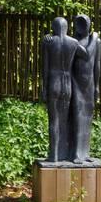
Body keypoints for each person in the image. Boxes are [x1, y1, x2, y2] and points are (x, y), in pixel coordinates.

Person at [41, 17, 81, 163]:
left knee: (54, 121)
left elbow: (45, 68)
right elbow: (86, 55)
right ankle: (68, 153)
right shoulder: (74, 42)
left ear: (54, 27)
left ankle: (54, 155)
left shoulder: (48, 42)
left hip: (54, 83)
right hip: (67, 84)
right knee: (66, 121)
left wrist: (44, 88)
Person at [70, 14, 101, 163]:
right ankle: (75, 153)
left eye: (83, 23)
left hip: (89, 84)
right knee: (77, 116)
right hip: (76, 82)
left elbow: (97, 64)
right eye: (78, 24)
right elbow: (87, 54)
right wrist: (94, 38)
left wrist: (96, 86)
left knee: (87, 118)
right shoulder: (73, 42)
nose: (80, 27)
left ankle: (84, 153)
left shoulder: (97, 42)